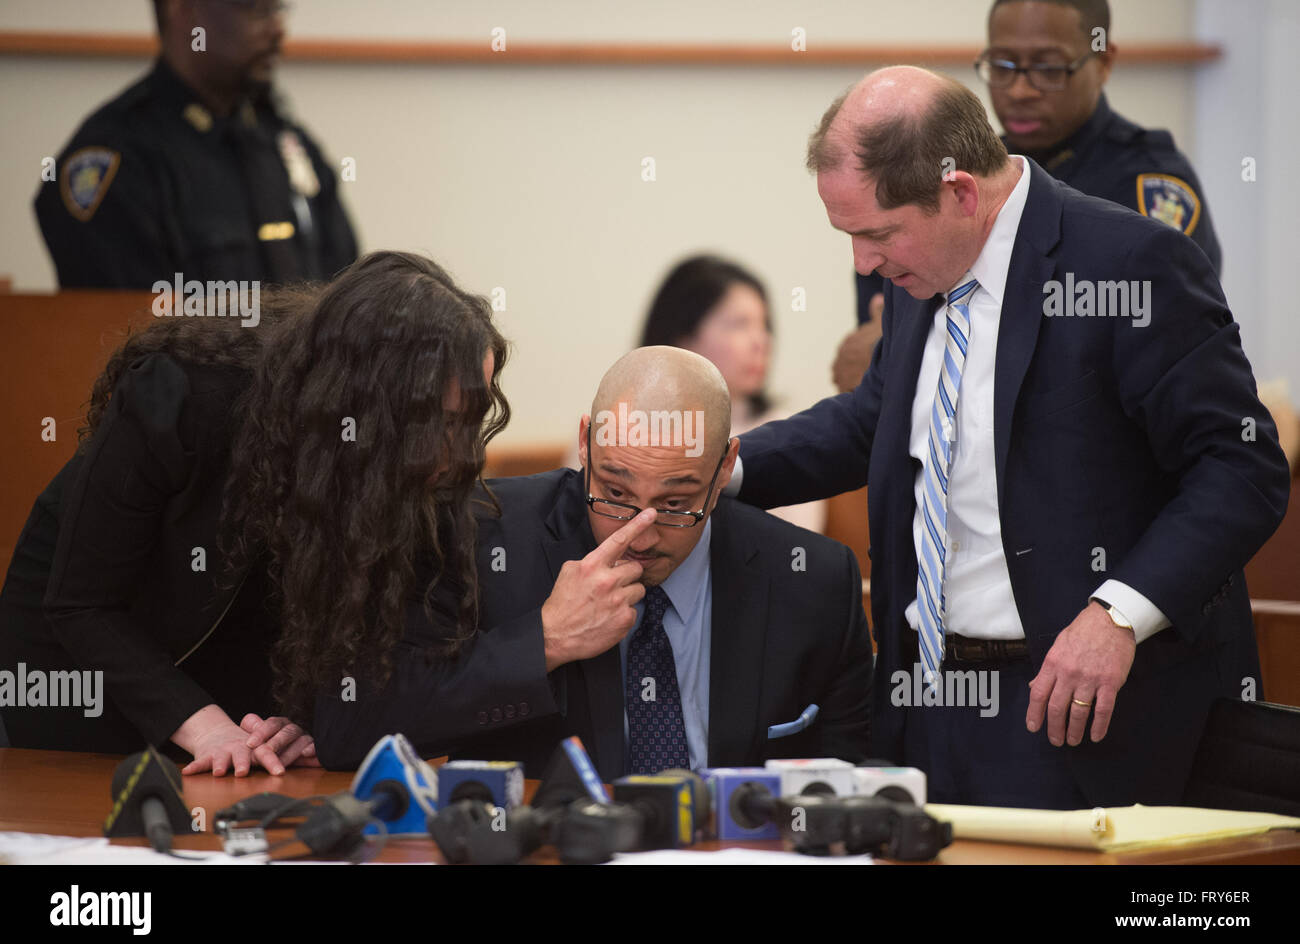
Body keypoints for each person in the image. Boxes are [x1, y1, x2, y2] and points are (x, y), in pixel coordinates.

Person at [732, 67, 1289, 808]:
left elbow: (1241, 467)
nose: (862, 263)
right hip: (924, 709)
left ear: (961, 192)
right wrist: (724, 469)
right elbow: (878, 417)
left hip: (1079, 714)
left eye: (877, 233)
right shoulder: (919, 275)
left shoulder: (1130, 266)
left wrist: (1118, 613)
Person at [0, 252, 507, 777]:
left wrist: (305, 720)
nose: (455, 457)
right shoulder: (182, 394)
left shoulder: (408, 457)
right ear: (371, 398)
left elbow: (353, 626)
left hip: (228, 673)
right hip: (77, 669)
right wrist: (202, 725)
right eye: (442, 423)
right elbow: (82, 605)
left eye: (471, 421)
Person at [312, 347, 873, 778]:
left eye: (676, 503)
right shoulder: (480, 539)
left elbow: (856, 774)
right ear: (586, 443)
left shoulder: (814, 582)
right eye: (615, 492)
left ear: (725, 468)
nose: (639, 533)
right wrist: (543, 641)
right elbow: (353, 726)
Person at [832, 0, 1223, 394]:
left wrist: (914, 353)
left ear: (1103, 62)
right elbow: (879, 322)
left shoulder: (1148, 185)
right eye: (1002, 66)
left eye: (1049, 68)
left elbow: (1155, 338)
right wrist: (887, 348)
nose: (1020, 90)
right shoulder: (961, 175)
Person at [35, 0, 357, 289]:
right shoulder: (121, 160)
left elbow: (345, 297)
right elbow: (129, 339)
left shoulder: (282, 140)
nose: (278, 28)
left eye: (279, 8)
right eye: (257, 8)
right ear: (184, 10)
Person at [634, 255, 826, 532]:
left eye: (764, 325)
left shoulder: (786, 435)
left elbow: (798, 546)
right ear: (682, 336)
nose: (761, 341)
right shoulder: (619, 425)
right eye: (739, 324)